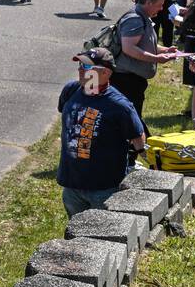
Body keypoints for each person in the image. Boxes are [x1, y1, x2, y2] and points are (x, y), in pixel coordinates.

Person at [58, 48, 147, 217]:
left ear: (106, 72)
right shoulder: (71, 90)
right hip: (71, 184)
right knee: (74, 233)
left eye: (87, 66)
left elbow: (138, 138)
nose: (81, 70)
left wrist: (151, 165)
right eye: (80, 65)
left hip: (104, 187)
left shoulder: (119, 105)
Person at [110, 0, 172, 117]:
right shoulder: (135, 19)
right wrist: (157, 59)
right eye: (159, 5)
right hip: (126, 79)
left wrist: (165, 50)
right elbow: (129, 48)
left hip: (133, 78)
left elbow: (144, 44)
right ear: (148, 2)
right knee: (129, 117)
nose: (161, 9)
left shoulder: (142, 16)